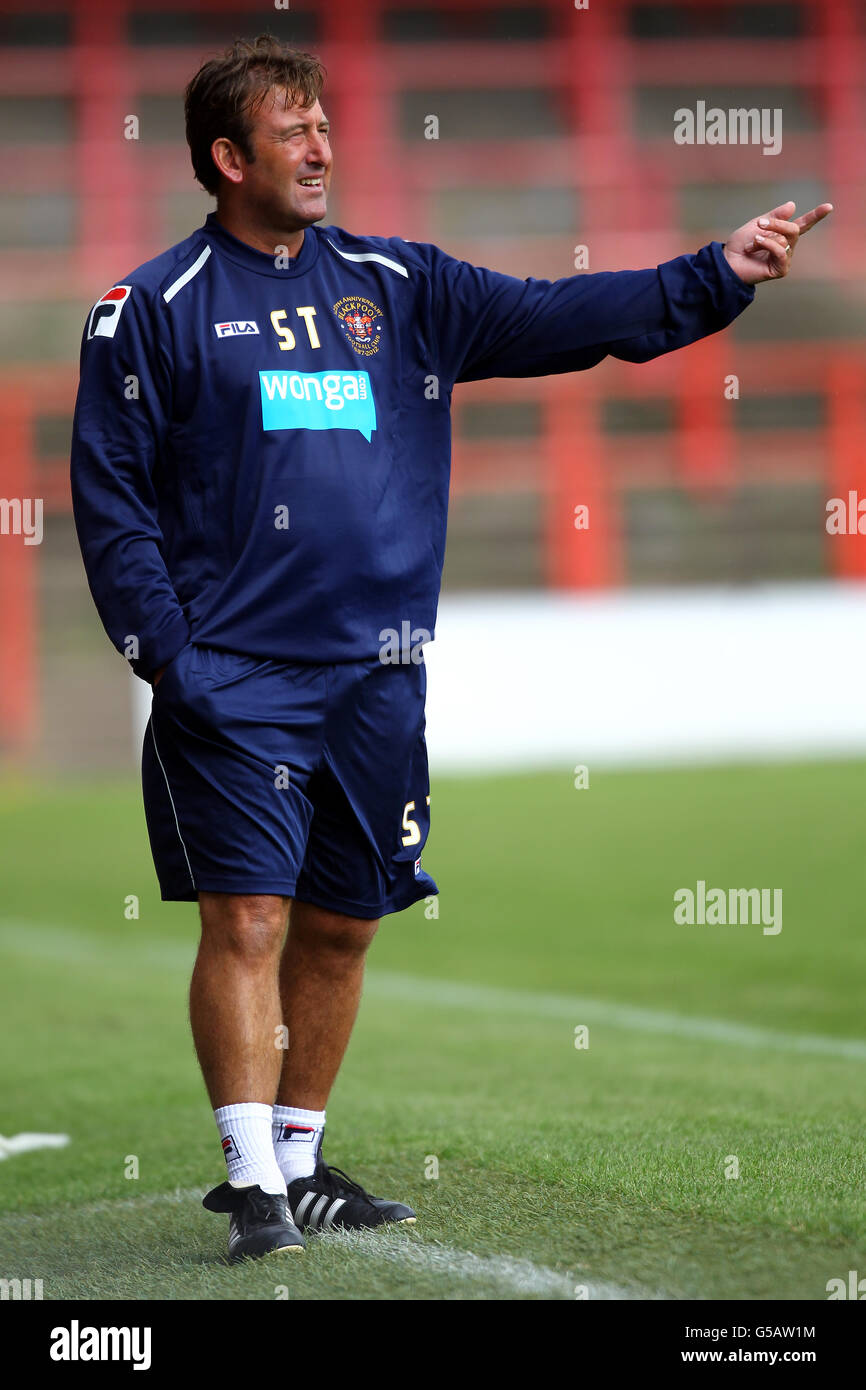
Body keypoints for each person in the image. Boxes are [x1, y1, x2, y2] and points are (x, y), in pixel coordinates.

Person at [70, 33, 832, 1262]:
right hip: (235, 678)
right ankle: (249, 1175)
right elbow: (109, 500)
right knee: (248, 923)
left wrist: (716, 273)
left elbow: (565, 316)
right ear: (226, 156)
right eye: (292, 128)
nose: (321, 146)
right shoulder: (149, 311)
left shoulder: (397, 286)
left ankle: (304, 1158)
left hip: (376, 671)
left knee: (343, 922)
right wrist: (173, 660)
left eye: (325, 124)